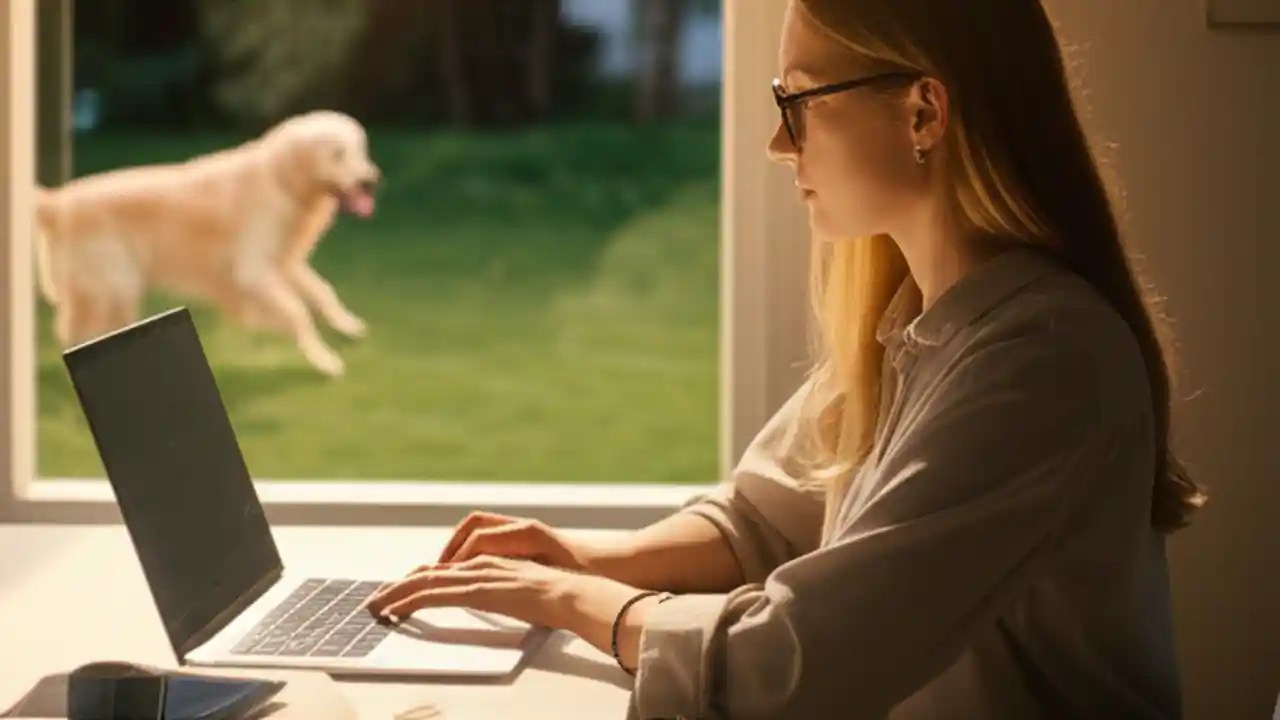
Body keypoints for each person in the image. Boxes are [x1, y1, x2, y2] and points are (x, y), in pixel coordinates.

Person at [366, 1, 1207, 717]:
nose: (777, 142)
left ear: (924, 113)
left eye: (799, 101)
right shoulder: (919, 320)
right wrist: (584, 558)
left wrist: (581, 603)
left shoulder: (1042, 362)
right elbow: (768, 519)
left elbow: (802, 662)